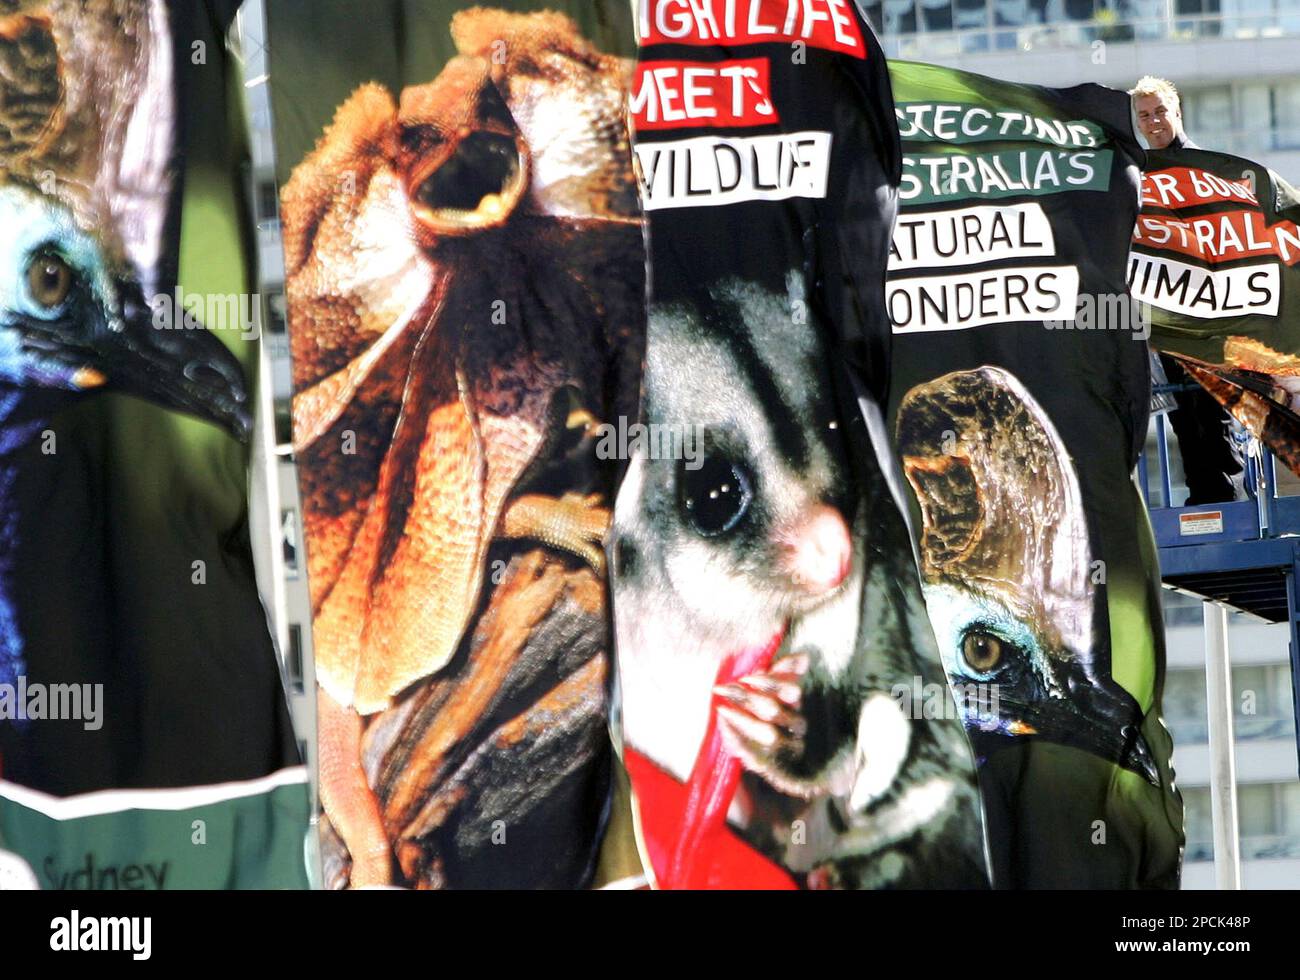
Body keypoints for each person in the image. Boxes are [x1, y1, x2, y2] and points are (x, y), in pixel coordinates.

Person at [1131, 75, 1246, 505]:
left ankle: (1228, 502)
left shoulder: (1208, 167)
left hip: (1212, 313)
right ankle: (1204, 499)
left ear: (1176, 112)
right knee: (1184, 415)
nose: (1153, 121)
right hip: (1167, 312)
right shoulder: (1139, 174)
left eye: (1160, 111)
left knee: (1213, 409)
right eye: (1144, 115)